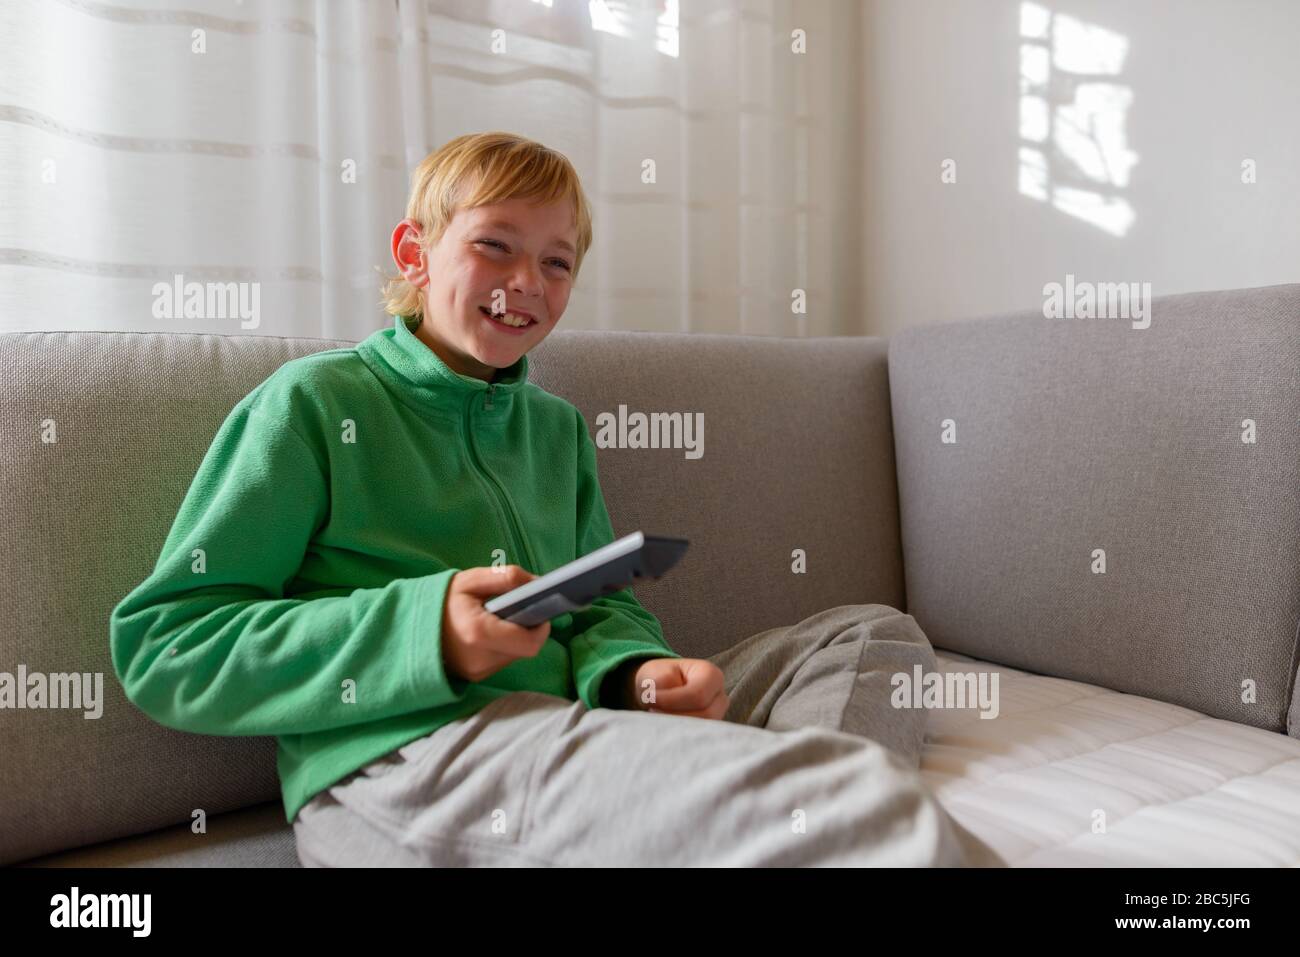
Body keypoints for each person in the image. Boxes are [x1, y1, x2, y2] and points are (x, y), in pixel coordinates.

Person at [110, 131, 1001, 867]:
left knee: (870, 633)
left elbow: (600, 608)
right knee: (874, 807)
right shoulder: (312, 404)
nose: (527, 283)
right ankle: (806, 812)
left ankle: (768, 813)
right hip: (410, 757)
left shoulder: (556, 429)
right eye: (495, 244)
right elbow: (166, 645)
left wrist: (635, 675)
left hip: (570, 720)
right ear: (415, 253)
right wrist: (426, 632)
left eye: (557, 261)